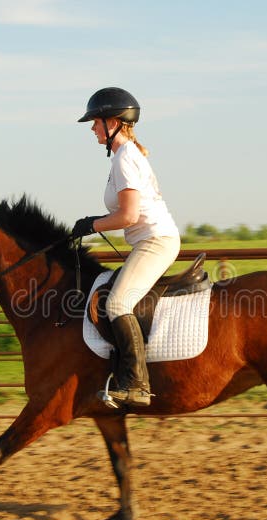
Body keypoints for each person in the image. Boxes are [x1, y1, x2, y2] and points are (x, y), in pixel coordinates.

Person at [71, 87, 181, 406]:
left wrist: (92, 225)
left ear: (114, 123)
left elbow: (129, 216)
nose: (92, 128)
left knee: (118, 303)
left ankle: (136, 384)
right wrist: (95, 222)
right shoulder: (125, 155)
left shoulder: (125, 158)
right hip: (148, 240)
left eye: (96, 121)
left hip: (155, 241)